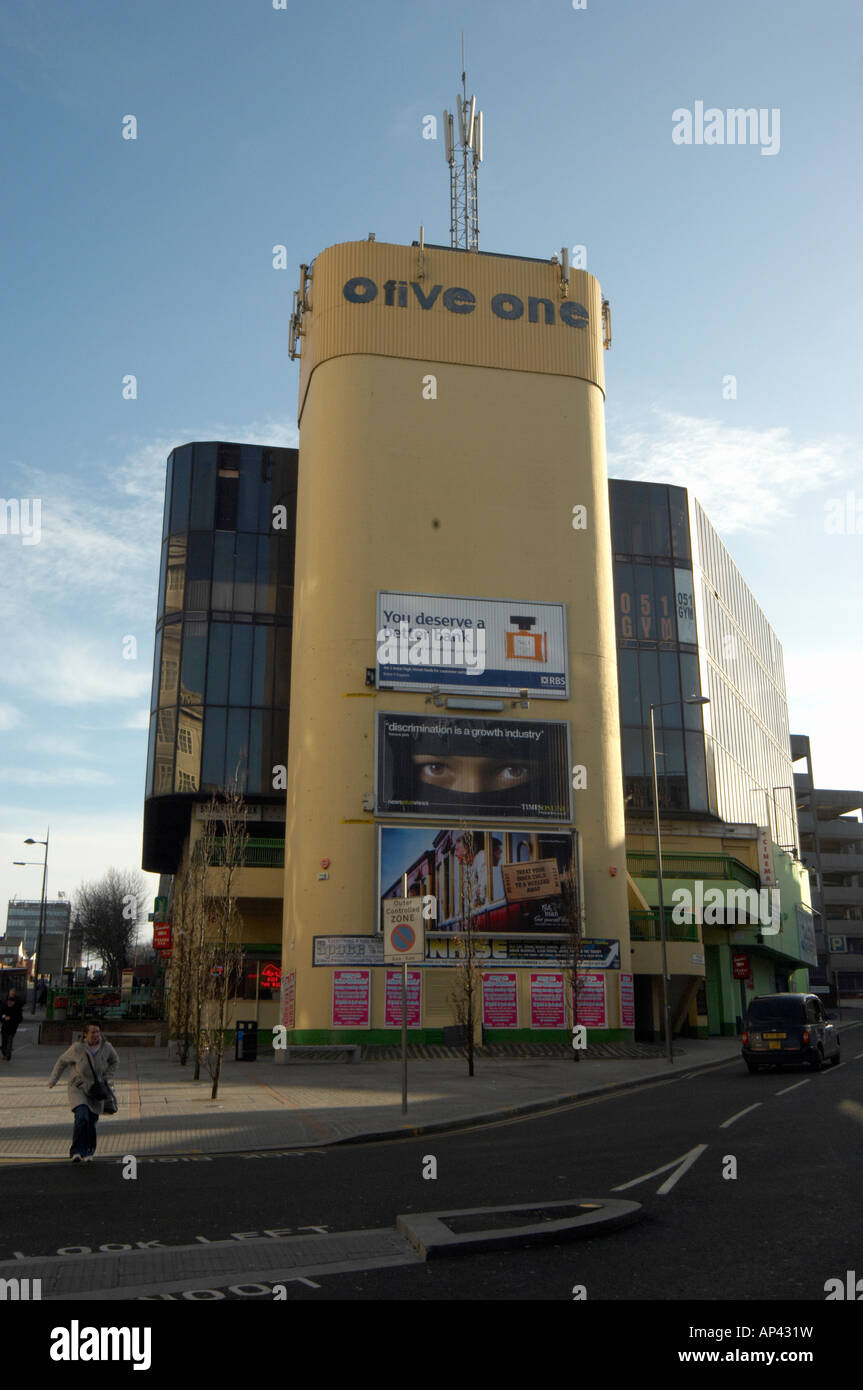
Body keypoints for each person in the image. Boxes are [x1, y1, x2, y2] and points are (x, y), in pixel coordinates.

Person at [47, 1021, 119, 1162]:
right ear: (85, 1034)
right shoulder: (77, 1048)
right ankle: (76, 1151)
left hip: (96, 1090)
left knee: (92, 1121)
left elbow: (115, 1061)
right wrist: (53, 1080)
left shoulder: (107, 1047)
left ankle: (89, 1151)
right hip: (78, 1088)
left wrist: (107, 1076)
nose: (96, 1035)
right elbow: (62, 1061)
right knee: (82, 1116)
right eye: (92, 1032)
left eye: (97, 1031)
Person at [1, 989, 24, 1060]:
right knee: (4, 1041)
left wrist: (11, 1018)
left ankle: (8, 1055)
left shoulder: (17, 1006)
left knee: (9, 1040)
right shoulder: (4, 1006)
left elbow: (19, 1017)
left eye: (11, 1002)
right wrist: (4, 1017)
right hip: (5, 1026)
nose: (9, 1003)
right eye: (9, 1002)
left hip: (12, 1027)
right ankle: (5, 1053)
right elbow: (1, 1014)